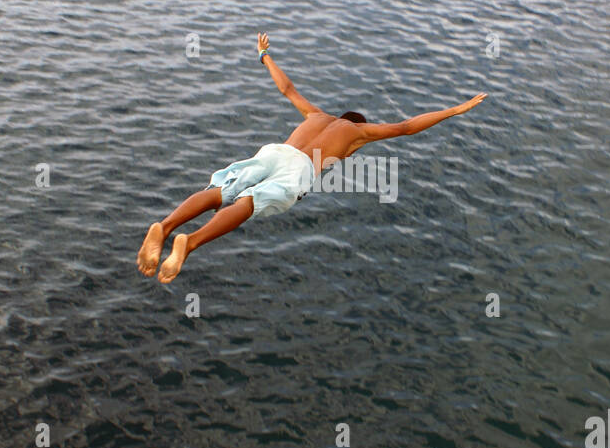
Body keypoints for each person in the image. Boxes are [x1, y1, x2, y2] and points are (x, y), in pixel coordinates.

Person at [137, 32, 486, 283]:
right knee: (249, 203)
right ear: (358, 126)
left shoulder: (315, 116)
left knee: (223, 189)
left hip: (277, 151)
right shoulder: (357, 132)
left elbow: (287, 89)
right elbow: (407, 126)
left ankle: (166, 226)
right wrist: (456, 109)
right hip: (299, 170)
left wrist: (265, 56)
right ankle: (191, 242)